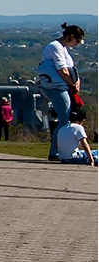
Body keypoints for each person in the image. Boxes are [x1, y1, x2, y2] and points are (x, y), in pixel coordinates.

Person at [36, 23, 85, 161]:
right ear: (70, 37)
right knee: (65, 120)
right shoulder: (55, 47)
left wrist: (75, 82)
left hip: (61, 86)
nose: (76, 44)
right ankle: (55, 151)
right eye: (76, 41)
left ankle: (61, 149)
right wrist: (72, 84)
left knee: (65, 118)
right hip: (57, 87)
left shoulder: (63, 49)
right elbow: (62, 69)